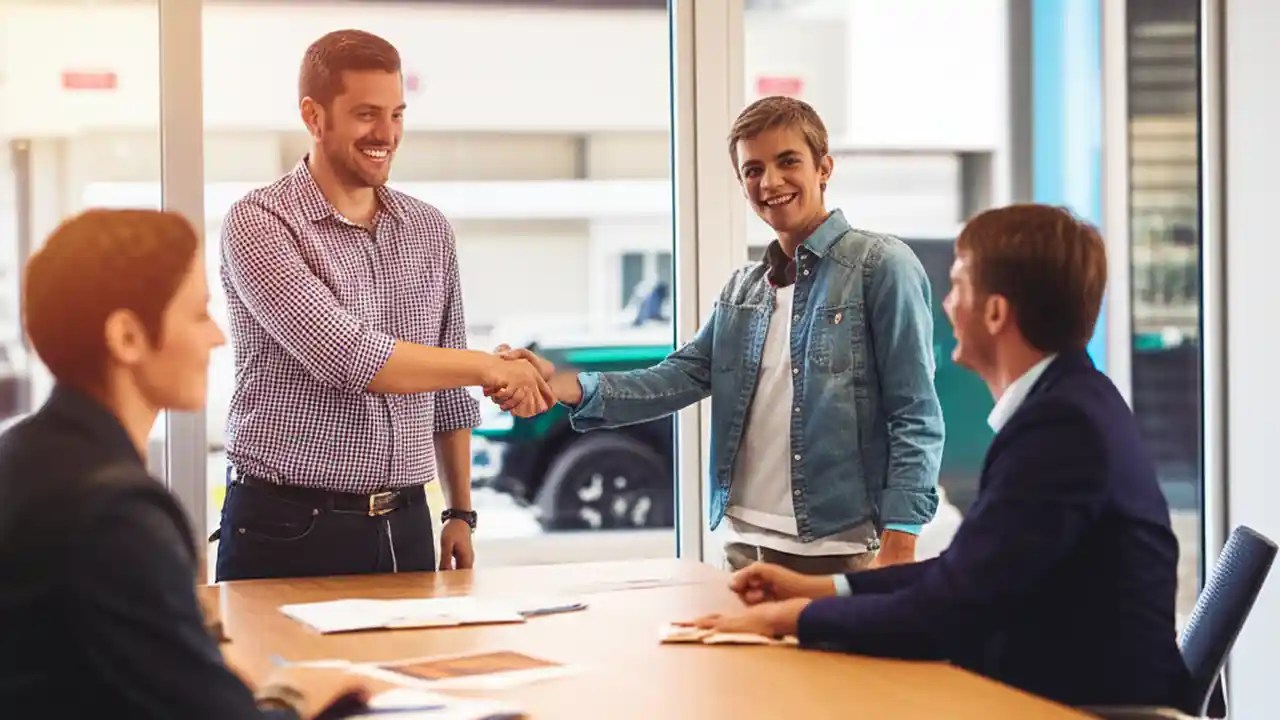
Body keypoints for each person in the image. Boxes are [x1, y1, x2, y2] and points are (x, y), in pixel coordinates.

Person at [693, 204, 1192, 710]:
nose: (948, 305)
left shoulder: (1062, 429)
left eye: (958, 286)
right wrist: (819, 590)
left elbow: (946, 612)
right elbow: (965, 572)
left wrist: (787, 620)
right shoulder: (1075, 402)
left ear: (995, 313)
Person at [496, 96, 943, 573]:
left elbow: (915, 414)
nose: (769, 181)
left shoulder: (880, 266)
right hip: (743, 548)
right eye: (753, 170)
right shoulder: (744, 289)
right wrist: (559, 382)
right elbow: (674, 379)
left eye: (787, 161)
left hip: (841, 552)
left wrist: (901, 542)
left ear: (824, 168)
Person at [0, 209, 373, 718]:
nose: (217, 336)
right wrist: (299, 697)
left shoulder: (23, 456)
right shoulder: (114, 513)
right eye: (198, 314)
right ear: (127, 337)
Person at [215, 29, 551, 581]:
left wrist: (459, 511)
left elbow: (446, 394)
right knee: (278, 672)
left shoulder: (428, 229)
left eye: (397, 114)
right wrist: (489, 366)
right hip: (288, 523)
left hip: (406, 522)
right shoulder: (260, 223)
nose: (387, 134)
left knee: (409, 671)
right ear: (314, 116)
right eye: (367, 114)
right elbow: (350, 357)